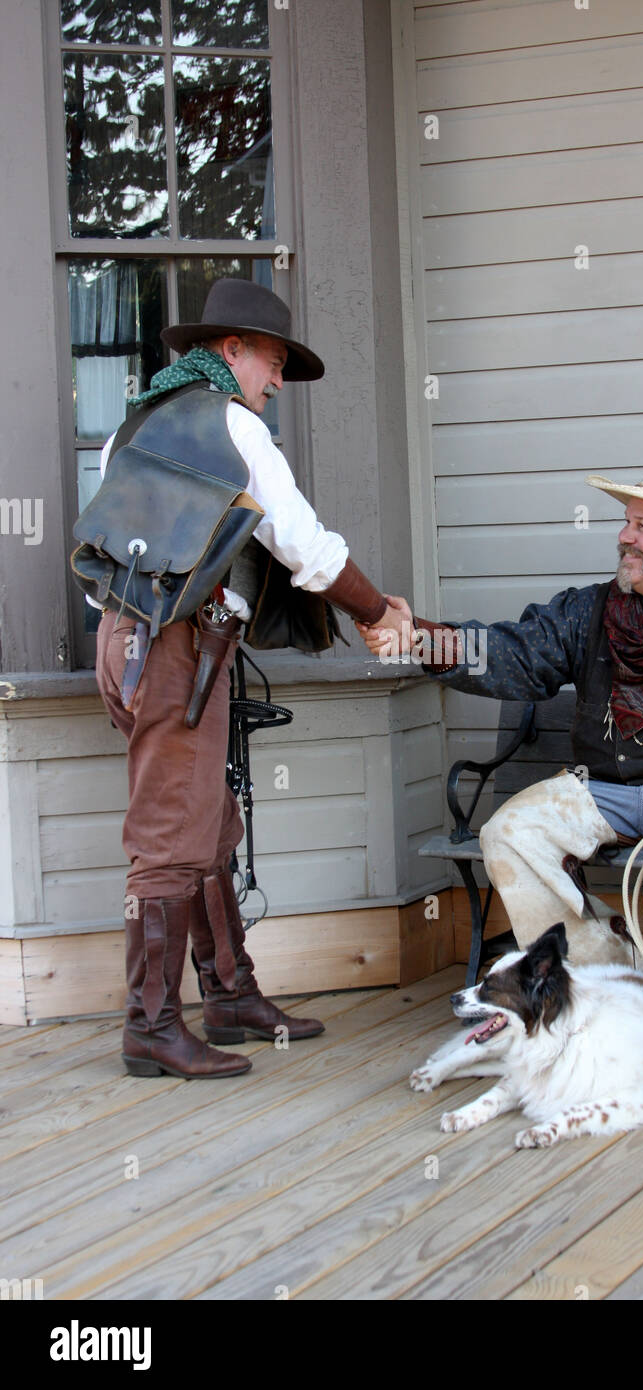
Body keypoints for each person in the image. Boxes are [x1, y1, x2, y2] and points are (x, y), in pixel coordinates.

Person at [358, 464, 643, 1111]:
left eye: (642, 526)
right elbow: (510, 654)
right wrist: (420, 640)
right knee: (511, 833)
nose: (623, 537)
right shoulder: (590, 611)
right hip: (602, 788)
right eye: (626, 523)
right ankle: (621, 985)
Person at [77, 279, 406, 1080]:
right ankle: (150, 1027)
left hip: (130, 638)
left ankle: (228, 994)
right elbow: (303, 544)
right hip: (173, 649)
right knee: (168, 840)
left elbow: (106, 559)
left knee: (206, 820)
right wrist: (378, 611)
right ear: (230, 351)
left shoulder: (136, 426)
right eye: (273, 359)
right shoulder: (230, 424)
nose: (279, 379)